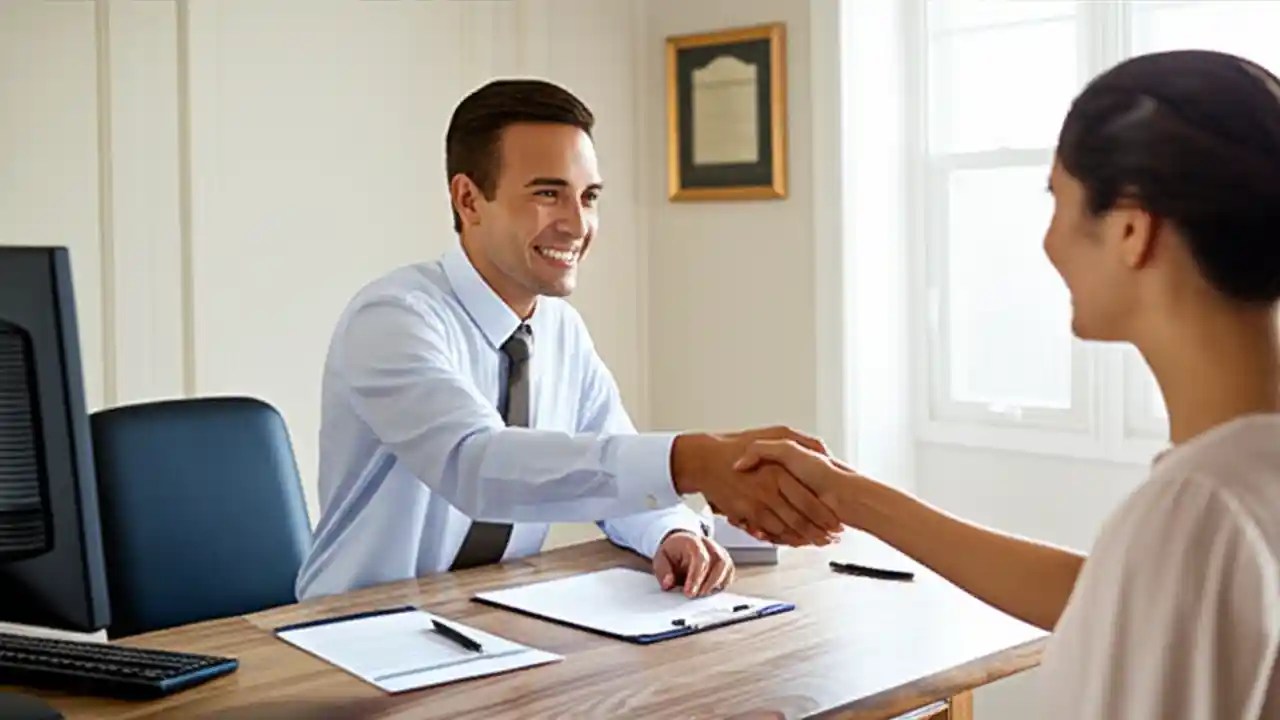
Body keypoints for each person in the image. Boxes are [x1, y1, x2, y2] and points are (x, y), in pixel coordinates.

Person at [734, 50, 1280, 718]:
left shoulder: (1197, 509)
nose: (1049, 242)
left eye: (1058, 200)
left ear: (1133, 230)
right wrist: (851, 497)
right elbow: (1115, 596)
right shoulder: (1235, 491)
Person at [295, 79, 840, 602]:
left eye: (590, 196)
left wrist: (671, 532)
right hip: (355, 631)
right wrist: (693, 460)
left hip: (490, 616)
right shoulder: (393, 318)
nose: (577, 224)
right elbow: (477, 465)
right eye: (548, 194)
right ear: (468, 199)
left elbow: (613, 465)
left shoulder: (558, 330)